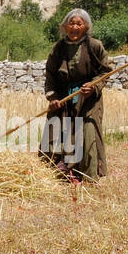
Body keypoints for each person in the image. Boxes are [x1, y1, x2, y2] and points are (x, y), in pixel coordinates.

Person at [40, 9, 110, 182]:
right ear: (65, 26)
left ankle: (88, 174)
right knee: (55, 127)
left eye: (79, 24)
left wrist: (93, 87)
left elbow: (105, 72)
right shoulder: (58, 48)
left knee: (87, 130)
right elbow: (50, 74)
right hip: (63, 98)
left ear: (85, 27)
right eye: (71, 23)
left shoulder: (95, 46)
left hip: (88, 99)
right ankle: (54, 171)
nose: (75, 27)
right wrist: (53, 97)